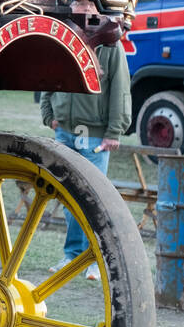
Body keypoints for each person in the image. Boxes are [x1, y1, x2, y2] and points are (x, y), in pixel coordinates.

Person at [41, 32, 132, 281]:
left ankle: (94, 260)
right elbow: (49, 75)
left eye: (86, 4)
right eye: (78, 4)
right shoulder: (62, 36)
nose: (83, 10)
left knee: (92, 200)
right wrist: (48, 114)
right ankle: (72, 257)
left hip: (94, 136)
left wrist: (114, 131)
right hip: (65, 132)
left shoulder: (111, 47)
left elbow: (120, 87)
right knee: (69, 198)